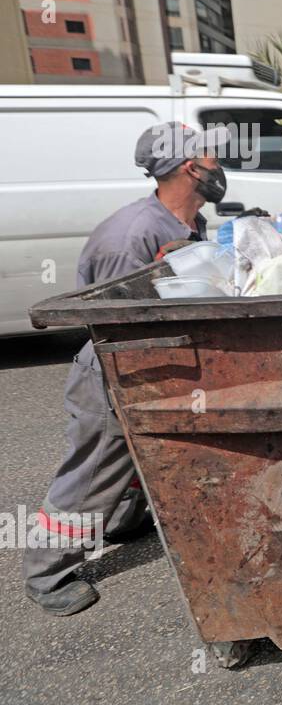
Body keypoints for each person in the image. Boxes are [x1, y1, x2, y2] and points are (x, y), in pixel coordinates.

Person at [24, 121, 229, 616]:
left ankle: (122, 519)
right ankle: (45, 573)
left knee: (141, 451)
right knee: (92, 473)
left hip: (147, 361)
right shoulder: (132, 235)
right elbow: (119, 328)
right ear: (190, 168)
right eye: (211, 157)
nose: (220, 166)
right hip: (115, 373)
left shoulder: (180, 221)